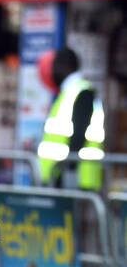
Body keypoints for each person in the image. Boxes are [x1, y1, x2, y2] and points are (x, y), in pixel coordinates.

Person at [37, 47, 105, 190]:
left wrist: (65, 169)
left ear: (64, 66)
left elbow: (79, 135)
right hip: (60, 177)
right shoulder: (69, 92)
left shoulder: (82, 92)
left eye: (54, 66)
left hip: (74, 179)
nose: (52, 72)